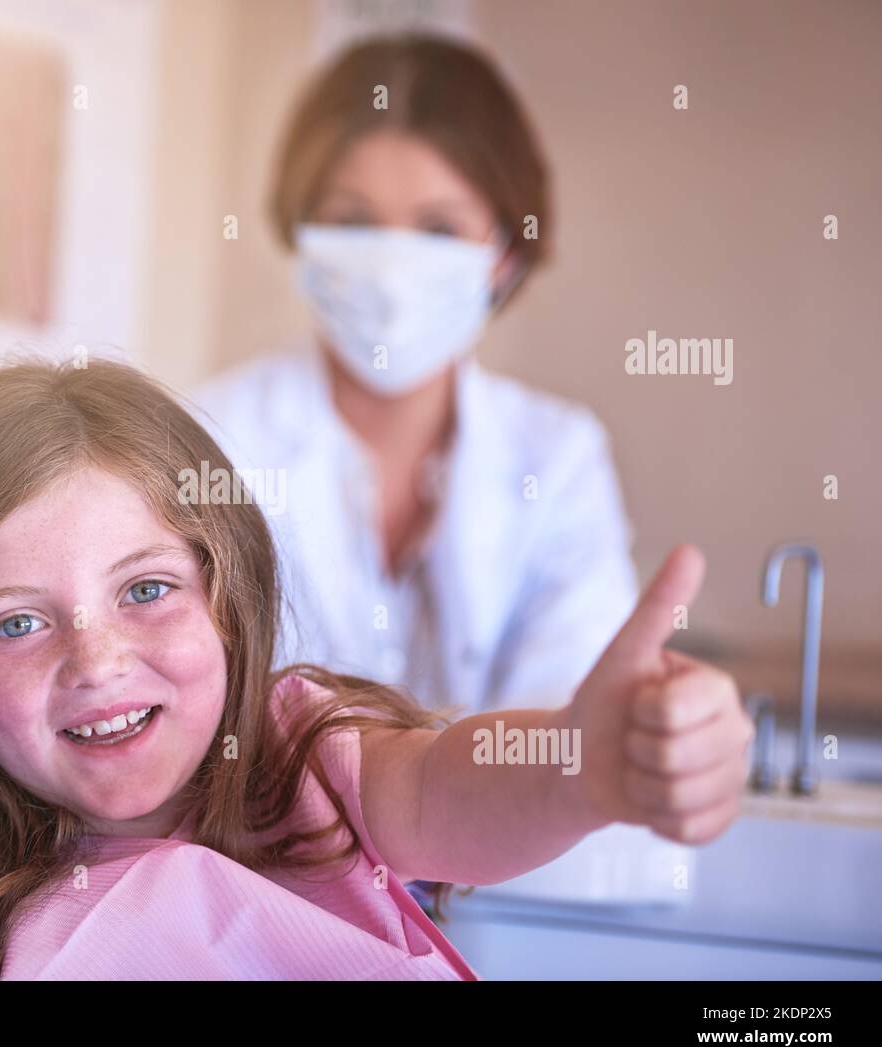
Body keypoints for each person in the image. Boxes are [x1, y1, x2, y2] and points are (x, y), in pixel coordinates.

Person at [0, 354, 751, 980]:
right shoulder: (17, 908)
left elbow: (445, 786)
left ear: (224, 600)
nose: (98, 661)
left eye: (145, 588)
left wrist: (577, 767)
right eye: (18, 623)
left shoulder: (300, 754)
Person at [192, 34, 638, 719]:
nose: (394, 269)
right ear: (300, 231)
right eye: (353, 221)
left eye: (438, 229)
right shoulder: (210, 437)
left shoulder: (558, 457)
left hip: (510, 829)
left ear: (505, 256)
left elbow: (568, 733)